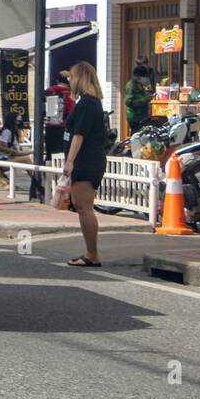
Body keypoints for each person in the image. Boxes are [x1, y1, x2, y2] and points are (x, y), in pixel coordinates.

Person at [63, 61, 108, 268]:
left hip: (86, 160)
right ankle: (90, 253)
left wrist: (69, 161)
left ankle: (92, 254)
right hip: (88, 159)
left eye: (72, 77)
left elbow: (78, 135)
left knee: (85, 208)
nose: (70, 81)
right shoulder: (89, 102)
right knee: (82, 207)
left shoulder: (88, 104)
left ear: (80, 78)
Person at [124, 57, 154, 133]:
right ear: (137, 75)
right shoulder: (131, 85)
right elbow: (128, 102)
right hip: (134, 117)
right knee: (136, 137)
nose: (145, 79)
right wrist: (146, 99)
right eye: (143, 76)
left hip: (141, 116)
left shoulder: (139, 84)